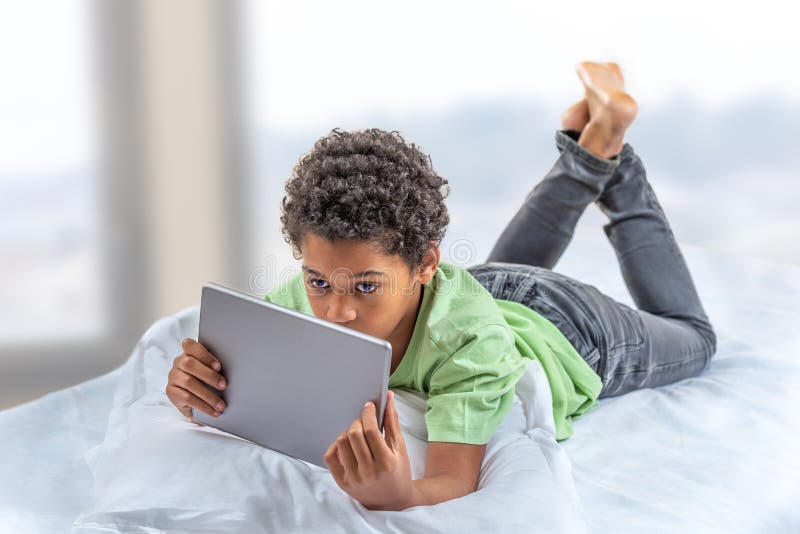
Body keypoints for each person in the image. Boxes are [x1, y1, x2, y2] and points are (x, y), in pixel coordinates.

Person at [165, 61, 717, 511]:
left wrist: (400, 494)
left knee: (695, 338)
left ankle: (616, 161)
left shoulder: (467, 344)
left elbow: (454, 480)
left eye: (363, 288)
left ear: (426, 263)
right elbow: (253, 378)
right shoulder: (300, 301)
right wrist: (201, 390)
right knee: (479, 296)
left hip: (570, 327)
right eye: (317, 281)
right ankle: (587, 148)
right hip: (485, 292)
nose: (334, 311)